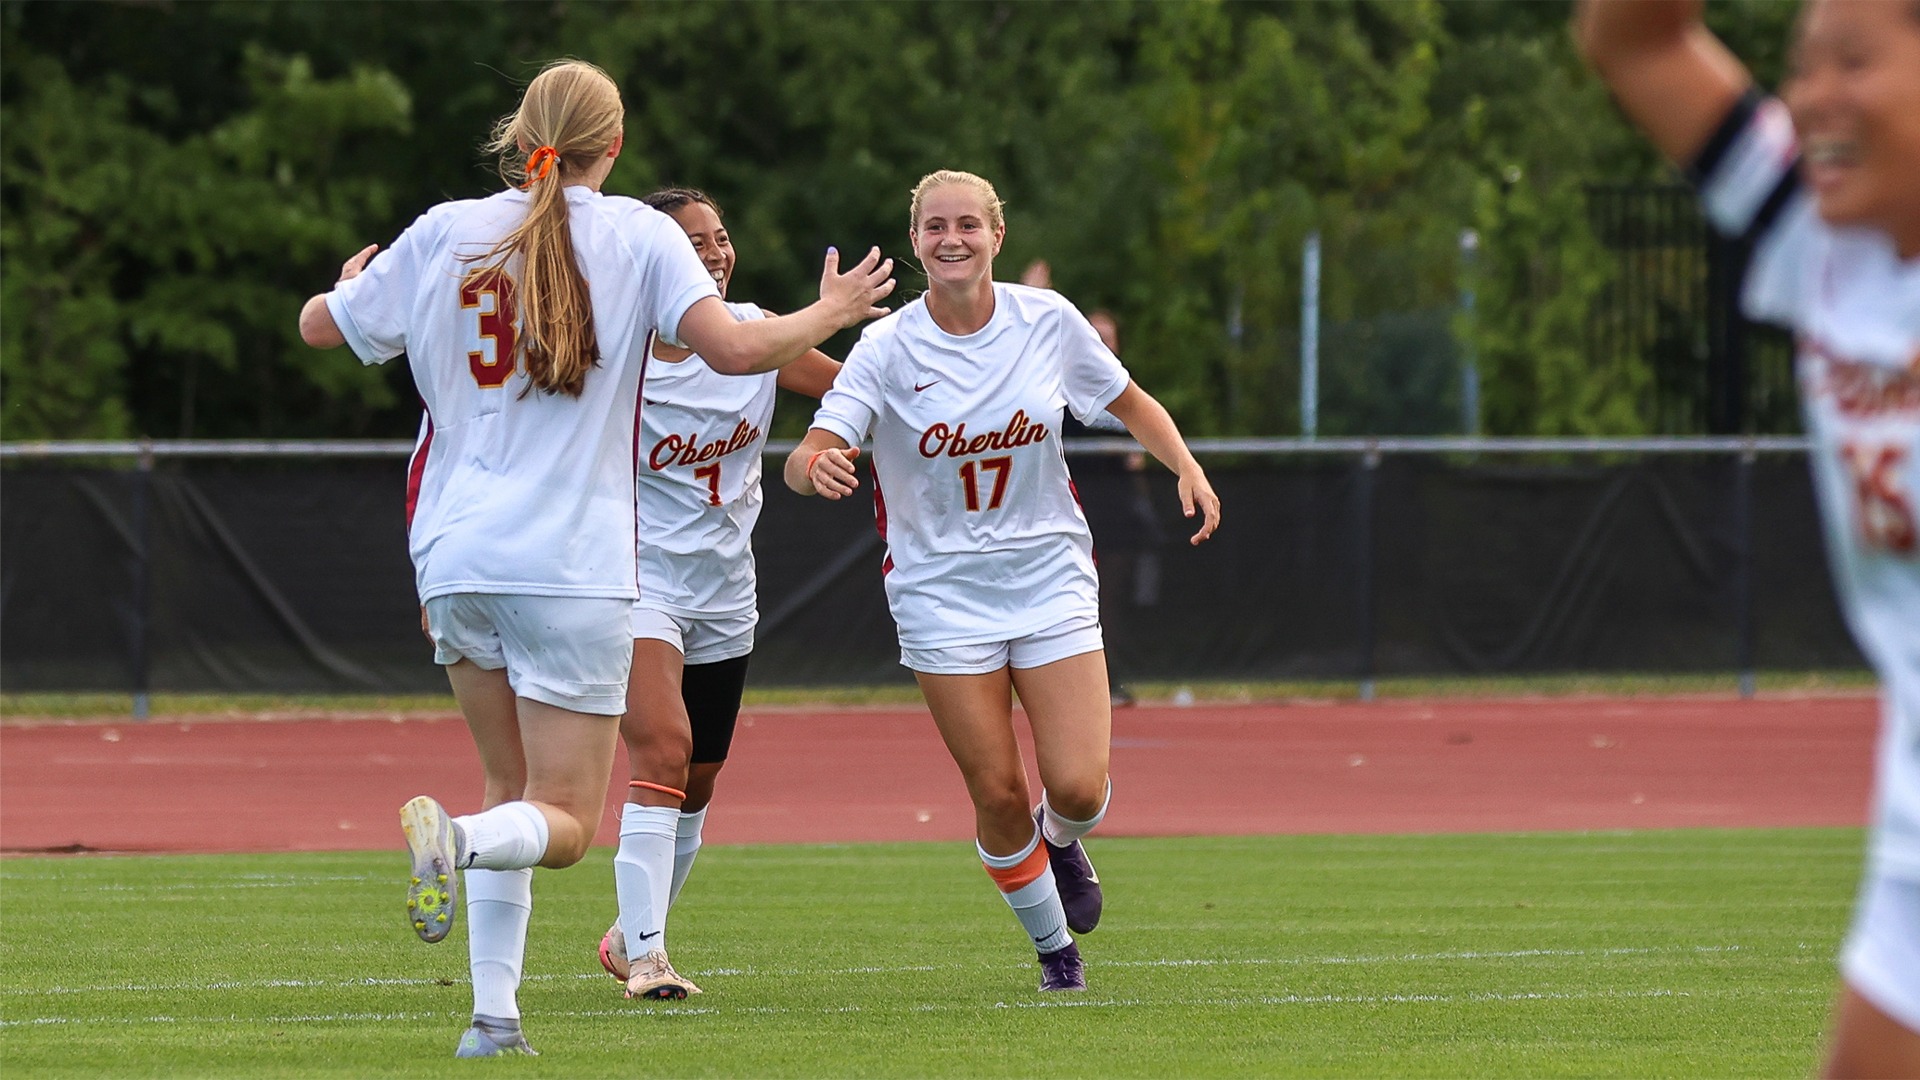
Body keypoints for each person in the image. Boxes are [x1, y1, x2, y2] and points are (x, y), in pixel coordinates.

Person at [296, 59, 892, 1056]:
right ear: (612, 149)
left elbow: (321, 327)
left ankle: (492, 1020)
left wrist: (354, 285)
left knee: (506, 780)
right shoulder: (639, 236)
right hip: (569, 564)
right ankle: (459, 845)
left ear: (520, 132)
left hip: (451, 558)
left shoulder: (445, 230)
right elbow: (738, 352)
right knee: (562, 820)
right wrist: (829, 312)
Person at [1575, 2, 1920, 1075]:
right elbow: (1631, 37)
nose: (1812, 94)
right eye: (1800, 65)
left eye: (1854, 60)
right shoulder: (1815, 233)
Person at [783, 170, 1221, 991]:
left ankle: (1064, 839)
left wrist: (1187, 466)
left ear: (997, 236)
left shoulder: (1045, 321)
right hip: (939, 591)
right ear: (915, 242)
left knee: (1080, 788)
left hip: (1048, 575)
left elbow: (1130, 401)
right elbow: (810, 454)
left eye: (968, 226)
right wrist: (819, 467)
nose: (952, 240)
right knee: (996, 789)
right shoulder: (885, 348)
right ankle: (1057, 954)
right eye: (935, 227)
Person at [593, 187, 841, 1000]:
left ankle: (631, 932)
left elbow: (850, 391)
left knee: (696, 781)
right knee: (661, 750)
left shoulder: (758, 334)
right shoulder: (613, 356)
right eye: (692, 240)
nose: (714, 252)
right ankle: (652, 961)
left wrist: (824, 446)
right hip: (637, 585)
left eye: (721, 236)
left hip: (726, 591)